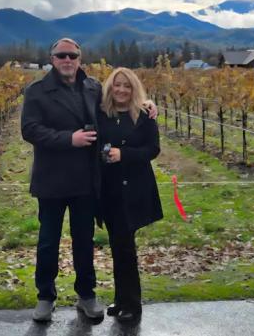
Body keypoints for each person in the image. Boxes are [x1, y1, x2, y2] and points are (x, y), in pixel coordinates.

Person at [21, 37, 104, 322]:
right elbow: (30, 130)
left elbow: (118, 106)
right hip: (52, 179)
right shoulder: (37, 91)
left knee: (84, 240)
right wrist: (70, 139)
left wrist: (147, 105)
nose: (67, 60)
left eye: (72, 55)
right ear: (52, 59)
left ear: (80, 59)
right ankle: (45, 296)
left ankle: (86, 294)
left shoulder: (93, 87)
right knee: (48, 241)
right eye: (61, 55)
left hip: (85, 179)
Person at [98, 67, 163, 323]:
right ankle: (121, 299)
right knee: (118, 245)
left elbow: (153, 149)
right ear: (110, 87)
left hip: (134, 190)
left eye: (127, 85)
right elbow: (99, 144)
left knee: (125, 247)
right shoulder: (103, 113)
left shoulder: (144, 115)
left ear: (134, 88)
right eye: (117, 85)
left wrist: (124, 155)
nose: (121, 90)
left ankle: (132, 304)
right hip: (110, 190)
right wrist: (105, 154)